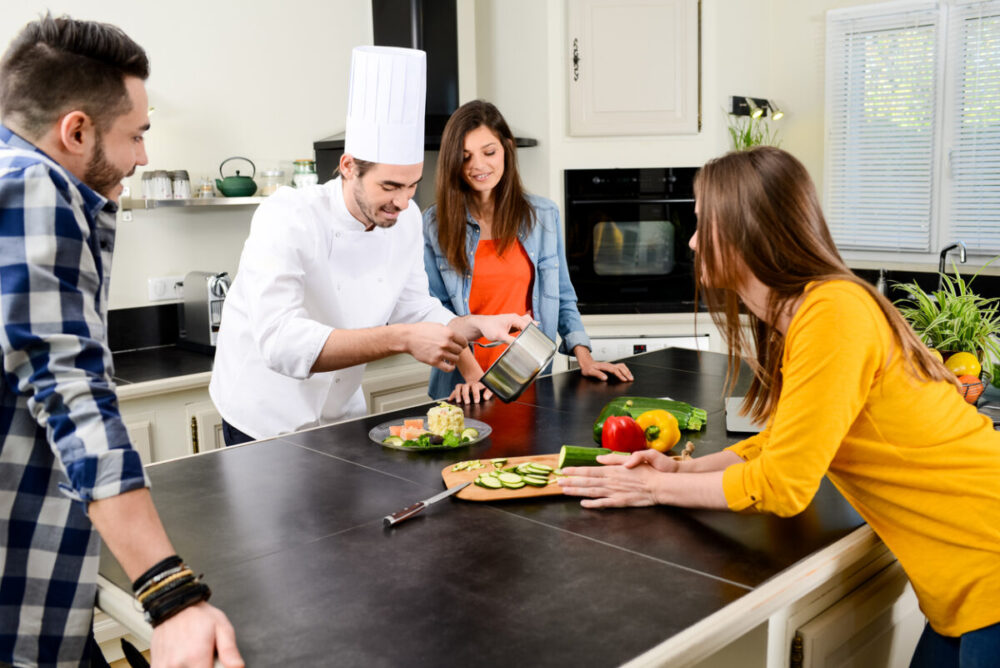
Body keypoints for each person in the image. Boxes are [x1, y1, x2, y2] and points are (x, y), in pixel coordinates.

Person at [558, 147, 1000, 667]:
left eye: (704, 224)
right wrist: (684, 467)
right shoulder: (816, 312)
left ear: (749, 230)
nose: (694, 241)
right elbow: (782, 441)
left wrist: (654, 487)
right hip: (965, 592)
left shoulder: (833, 313)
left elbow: (783, 485)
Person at [0, 14, 243, 668]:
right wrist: (170, 594)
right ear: (75, 129)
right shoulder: (33, 184)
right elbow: (70, 391)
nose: (142, 157)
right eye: (136, 135)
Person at [210, 48, 529, 444]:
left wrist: (476, 324)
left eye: (412, 185)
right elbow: (282, 343)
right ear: (348, 168)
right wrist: (402, 338)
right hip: (263, 416)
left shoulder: (407, 219)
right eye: (389, 186)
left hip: (339, 414)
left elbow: (416, 306)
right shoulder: (288, 216)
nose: (402, 201)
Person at [423, 100, 632, 403]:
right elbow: (438, 313)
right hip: (465, 387)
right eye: (465, 157)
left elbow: (562, 296)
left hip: (530, 378)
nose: (478, 165)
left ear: (507, 148)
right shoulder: (433, 224)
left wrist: (584, 357)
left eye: (489, 152)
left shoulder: (543, 216)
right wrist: (475, 379)